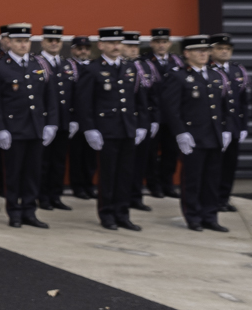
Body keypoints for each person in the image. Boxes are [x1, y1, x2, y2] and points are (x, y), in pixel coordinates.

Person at [0, 23, 57, 229]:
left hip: (35, 128)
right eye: (18, 41)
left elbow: (50, 98)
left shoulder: (38, 64)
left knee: (33, 173)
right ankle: (14, 211)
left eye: (26, 41)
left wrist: (51, 123)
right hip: (13, 129)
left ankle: (29, 212)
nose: (23, 45)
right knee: (14, 174)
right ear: (10, 42)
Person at [75, 27, 148, 231]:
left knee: (126, 174)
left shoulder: (131, 68)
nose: (116, 47)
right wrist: (89, 129)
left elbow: (140, 101)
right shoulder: (92, 69)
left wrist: (142, 125)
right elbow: (83, 103)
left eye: (118, 43)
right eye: (111, 43)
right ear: (101, 46)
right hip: (106, 130)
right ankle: (107, 214)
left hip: (127, 129)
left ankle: (123, 214)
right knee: (108, 175)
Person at [161, 36, 230, 232]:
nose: (203, 54)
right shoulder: (178, 76)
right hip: (193, 137)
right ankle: (193, 217)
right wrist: (181, 133)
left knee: (212, 179)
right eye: (198, 51)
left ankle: (210, 216)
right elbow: (171, 109)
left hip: (214, 136)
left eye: (206, 50)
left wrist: (225, 130)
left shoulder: (216, 76)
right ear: (186, 53)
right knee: (192, 179)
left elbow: (223, 107)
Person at [35, 26, 78, 212]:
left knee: (59, 162)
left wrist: (74, 118)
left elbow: (76, 94)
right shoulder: (36, 63)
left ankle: (55, 196)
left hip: (63, 121)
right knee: (43, 162)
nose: (54, 43)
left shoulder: (68, 64)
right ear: (43, 42)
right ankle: (42, 196)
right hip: (43, 122)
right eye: (50, 40)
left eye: (57, 41)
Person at [210, 33, 250, 213]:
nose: (224, 52)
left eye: (227, 49)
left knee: (229, 165)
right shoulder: (208, 70)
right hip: (214, 128)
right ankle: (211, 199)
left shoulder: (237, 71)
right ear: (212, 50)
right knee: (214, 165)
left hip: (233, 126)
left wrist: (243, 126)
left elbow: (242, 101)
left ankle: (224, 199)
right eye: (220, 48)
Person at [122, 32, 160, 212]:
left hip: (143, 122)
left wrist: (153, 120)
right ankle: (121, 198)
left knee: (140, 163)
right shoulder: (119, 66)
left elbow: (154, 95)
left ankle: (135, 197)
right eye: (129, 46)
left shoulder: (146, 66)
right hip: (123, 123)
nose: (132, 50)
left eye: (135, 46)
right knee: (123, 164)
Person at [148, 28, 183, 197]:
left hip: (172, 116)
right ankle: (154, 185)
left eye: (164, 42)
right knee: (152, 153)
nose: (161, 45)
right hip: (154, 115)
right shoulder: (146, 62)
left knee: (171, 152)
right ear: (152, 43)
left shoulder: (178, 62)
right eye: (157, 42)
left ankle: (167, 184)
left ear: (169, 44)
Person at [66, 36, 98, 199]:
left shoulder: (95, 67)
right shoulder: (67, 66)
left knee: (90, 155)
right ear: (73, 50)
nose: (83, 51)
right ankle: (78, 186)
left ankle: (89, 184)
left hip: (93, 119)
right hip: (75, 118)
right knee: (77, 155)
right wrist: (72, 117)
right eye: (79, 48)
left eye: (86, 48)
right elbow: (69, 94)